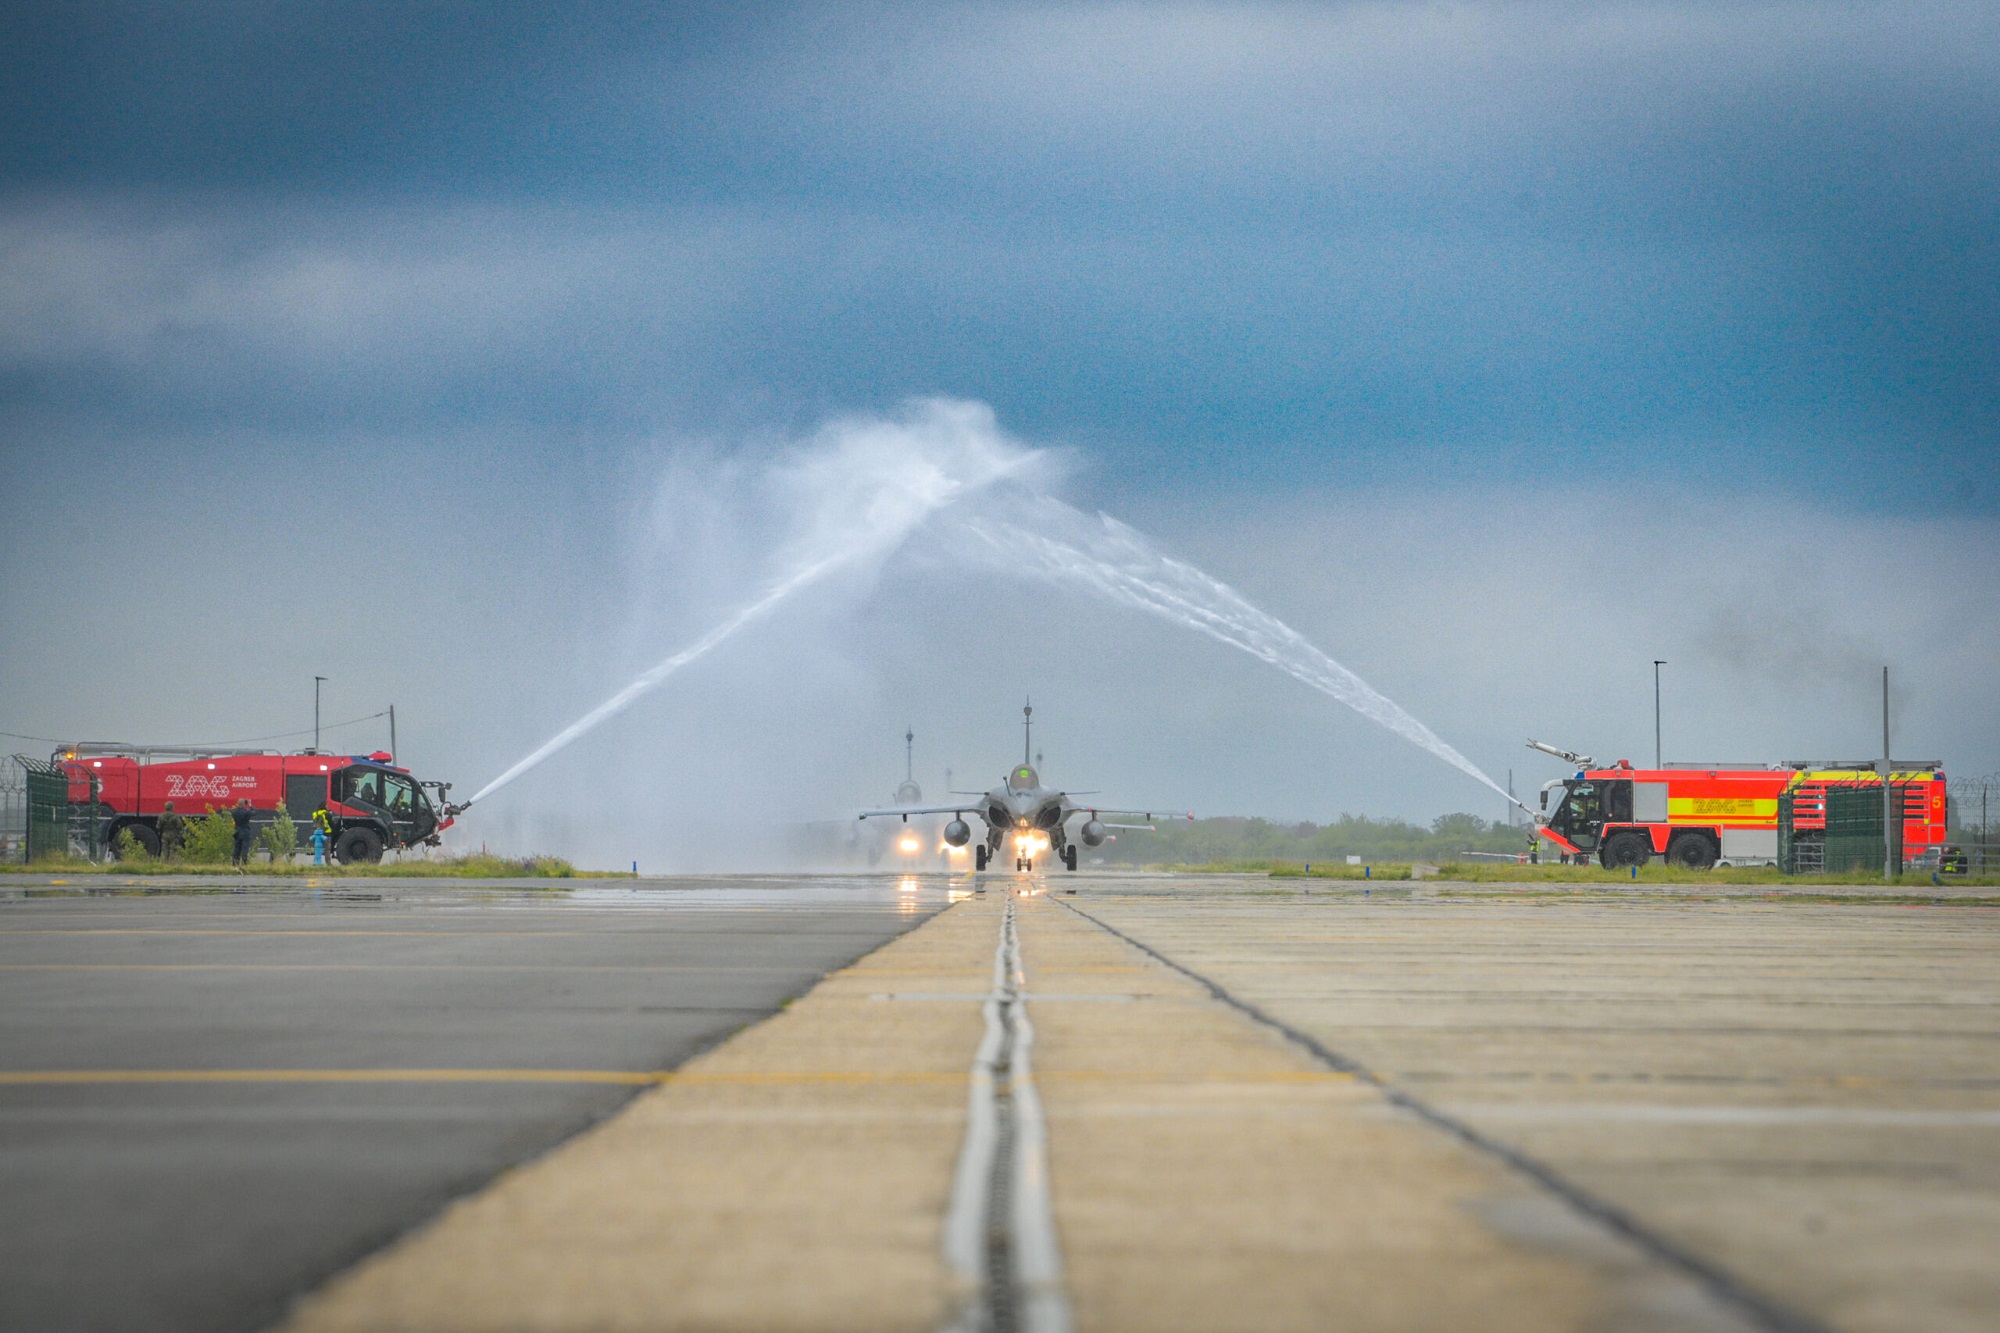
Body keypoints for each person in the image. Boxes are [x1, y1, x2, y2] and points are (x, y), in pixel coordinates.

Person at [229, 798, 256, 866]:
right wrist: (250, 805)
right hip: (245, 831)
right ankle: (244, 863)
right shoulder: (246, 812)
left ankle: (235, 863)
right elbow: (254, 812)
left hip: (237, 831)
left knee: (237, 848)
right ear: (244, 804)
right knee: (245, 848)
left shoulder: (234, 812)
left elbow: (231, 810)